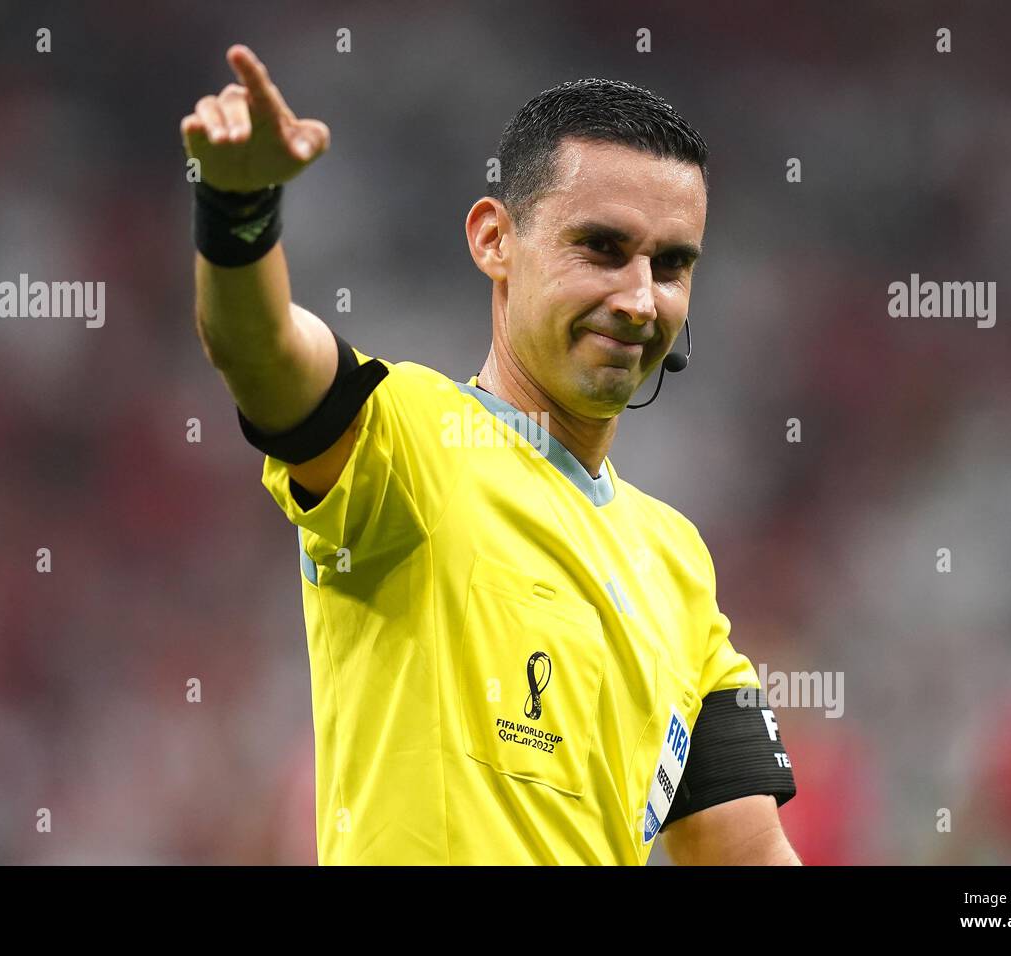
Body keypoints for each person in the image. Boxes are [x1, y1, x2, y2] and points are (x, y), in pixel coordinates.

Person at [181, 44, 799, 865]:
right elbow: (259, 352)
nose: (641, 299)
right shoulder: (411, 437)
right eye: (603, 249)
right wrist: (237, 211)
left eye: (673, 265)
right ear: (493, 240)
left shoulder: (678, 563)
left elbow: (750, 857)